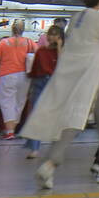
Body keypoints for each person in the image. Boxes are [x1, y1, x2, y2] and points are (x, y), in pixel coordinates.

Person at [26, 0, 99, 189]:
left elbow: (70, 43)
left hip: (75, 73)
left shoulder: (76, 17)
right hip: (97, 72)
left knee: (73, 118)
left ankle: (50, 164)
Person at [23, 24, 64, 158]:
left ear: (60, 37)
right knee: (35, 115)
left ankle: (57, 147)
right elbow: (34, 70)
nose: (51, 36)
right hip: (39, 82)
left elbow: (63, 65)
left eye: (55, 34)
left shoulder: (63, 52)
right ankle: (34, 148)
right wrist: (30, 88)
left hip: (54, 84)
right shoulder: (41, 51)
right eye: (50, 34)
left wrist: (59, 47)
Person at [0, 20, 37, 139]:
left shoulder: (3, 42)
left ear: (12, 29)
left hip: (7, 75)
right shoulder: (29, 42)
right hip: (24, 76)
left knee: (7, 102)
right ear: (23, 30)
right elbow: (38, 55)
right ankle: (13, 128)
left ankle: (10, 131)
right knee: (20, 102)